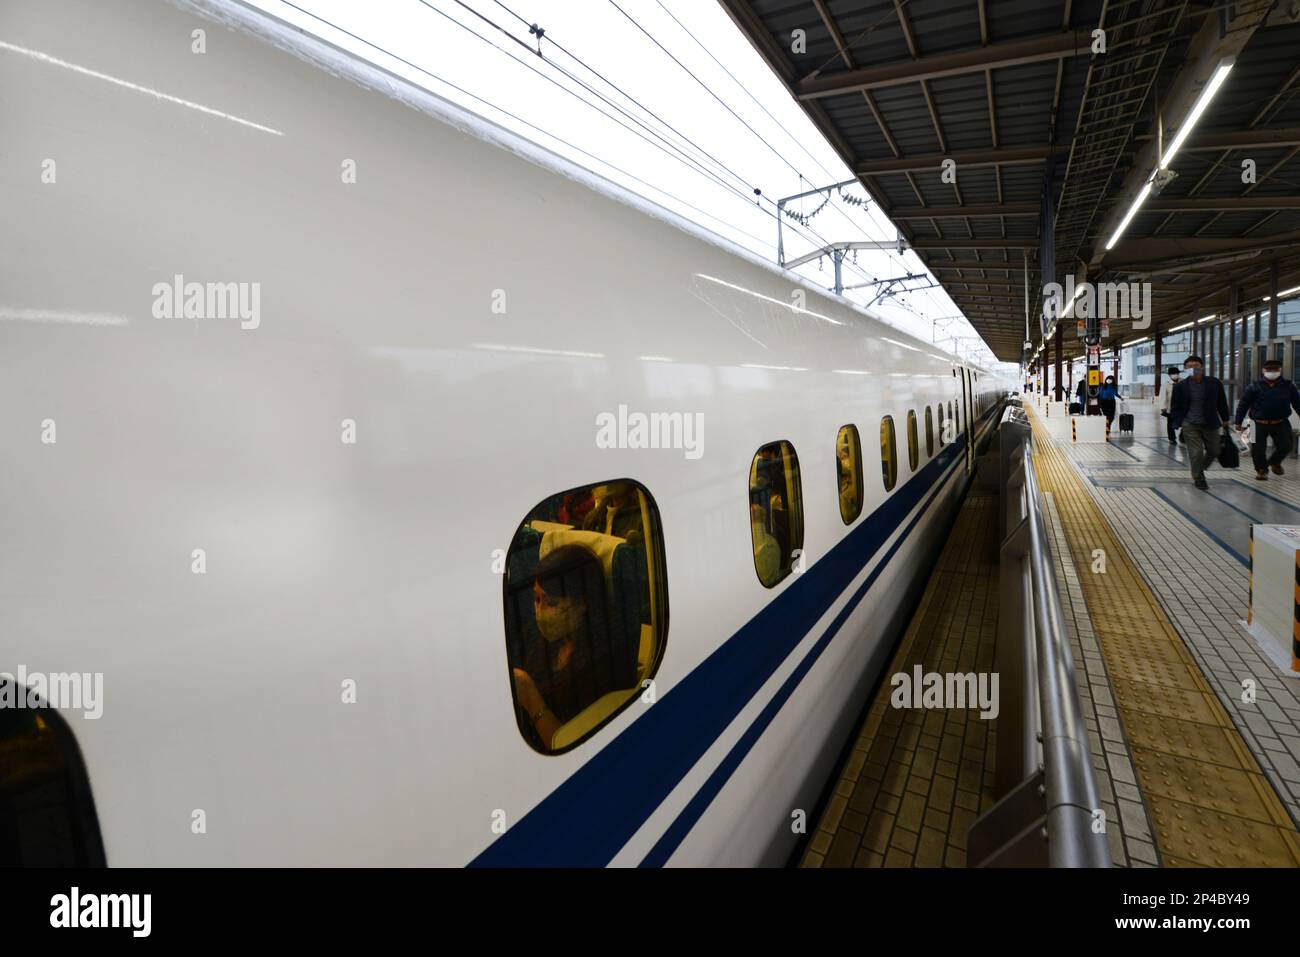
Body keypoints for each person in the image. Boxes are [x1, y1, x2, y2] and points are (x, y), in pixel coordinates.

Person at [512, 544, 629, 750]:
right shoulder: (534, 635)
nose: (540, 611)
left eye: (551, 602)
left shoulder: (605, 658)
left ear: (582, 603)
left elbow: (575, 748)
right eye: (537, 599)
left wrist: (531, 699)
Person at [1232, 358, 1300, 480]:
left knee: (1286, 446)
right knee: (1258, 450)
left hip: (1281, 422)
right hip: (1256, 423)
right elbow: (1243, 404)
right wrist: (1238, 422)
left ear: (1280, 370)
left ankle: (1274, 462)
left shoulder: (1288, 386)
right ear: (1263, 370)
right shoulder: (1254, 386)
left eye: (1275, 369)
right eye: (1269, 369)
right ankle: (1261, 470)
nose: (1272, 372)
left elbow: (1297, 403)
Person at [1169, 355, 1230, 491]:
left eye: (1196, 366)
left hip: (1210, 422)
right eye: (1189, 367)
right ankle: (1199, 478)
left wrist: (1225, 419)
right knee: (1196, 453)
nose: (1193, 369)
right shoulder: (1180, 387)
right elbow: (1175, 406)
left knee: (1214, 450)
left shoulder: (1214, 383)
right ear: (1185, 369)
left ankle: (1198, 468)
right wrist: (1178, 421)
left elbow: (1221, 402)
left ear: (1202, 367)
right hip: (1190, 424)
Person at [1159, 365, 1181, 443]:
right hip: (1171, 407)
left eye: (1177, 373)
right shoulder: (1166, 384)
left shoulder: (1183, 382)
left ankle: (1183, 436)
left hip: (1182, 407)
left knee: (1184, 422)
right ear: (1169, 375)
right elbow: (1162, 396)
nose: (1175, 375)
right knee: (1170, 423)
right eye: (1173, 373)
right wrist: (1163, 407)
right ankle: (1172, 438)